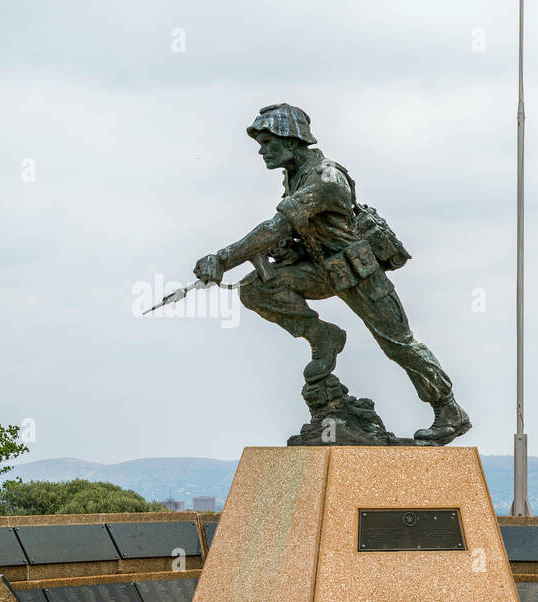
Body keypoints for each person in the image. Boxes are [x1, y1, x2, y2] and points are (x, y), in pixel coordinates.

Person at [193, 103, 470, 445]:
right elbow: (292, 232)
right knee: (257, 288)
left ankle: (449, 409)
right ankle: (322, 336)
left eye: (268, 143)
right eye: (260, 144)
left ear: (292, 141)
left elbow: (276, 227)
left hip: (357, 272)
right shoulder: (294, 176)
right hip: (321, 269)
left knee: (397, 343)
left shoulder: (326, 177)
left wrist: (222, 259)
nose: (262, 151)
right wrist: (288, 251)